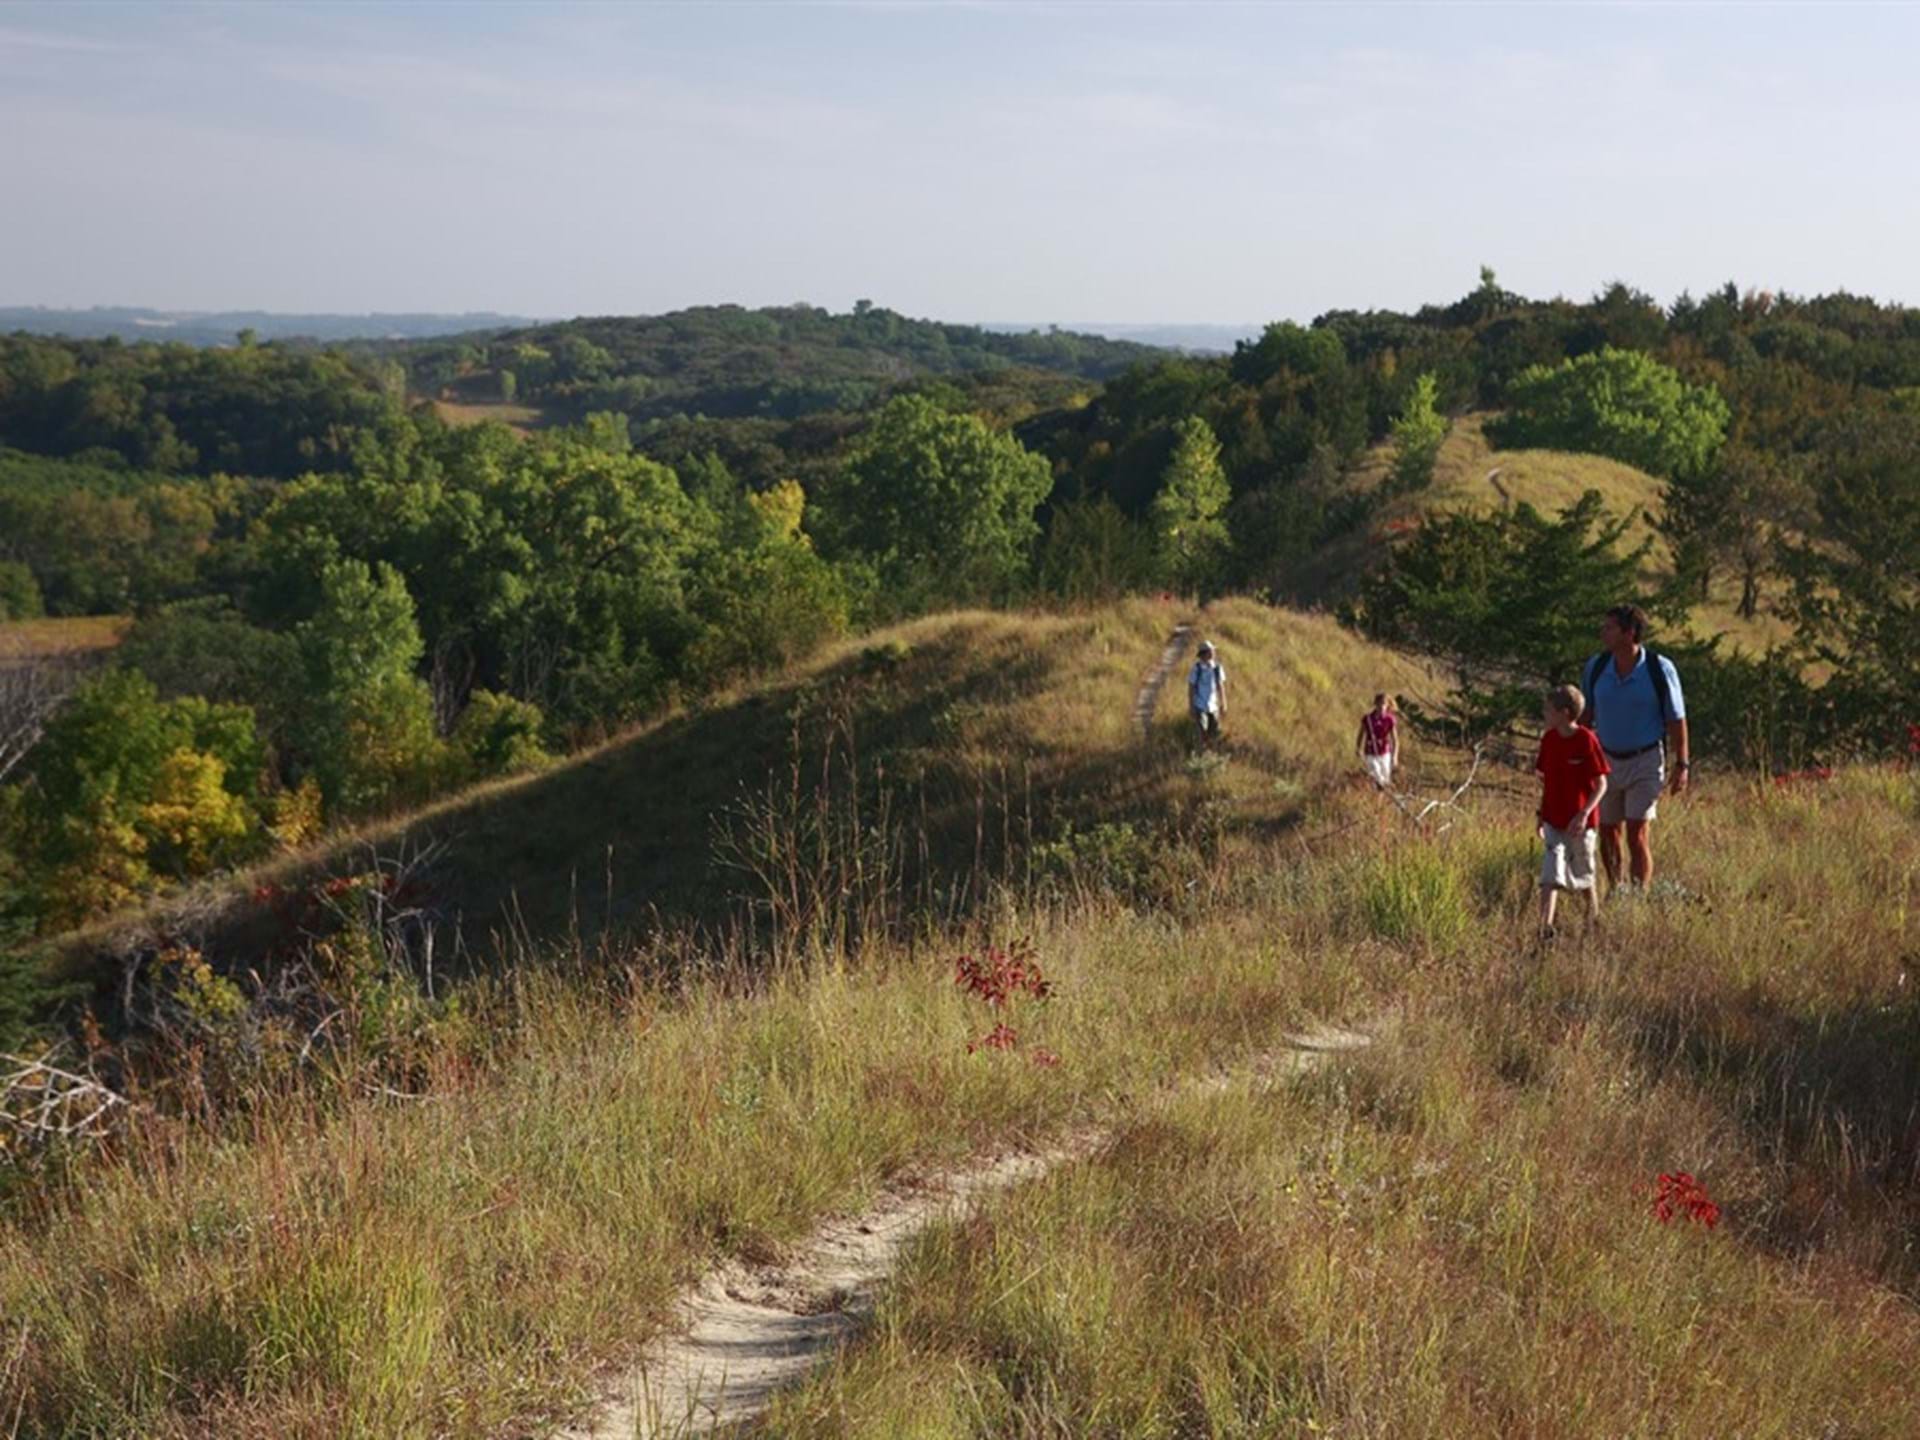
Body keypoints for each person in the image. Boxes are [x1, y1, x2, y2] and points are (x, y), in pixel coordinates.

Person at [1580, 603, 1690, 892]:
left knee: (1636, 833)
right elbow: (1586, 715)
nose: (1603, 632)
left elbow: (1676, 720)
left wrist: (1682, 765)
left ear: (1629, 634)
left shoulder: (1659, 669)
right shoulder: (1597, 667)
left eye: (1610, 627)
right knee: (1607, 831)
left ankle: (1639, 897)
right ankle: (1617, 890)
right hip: (1605, 760)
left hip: (1645, 759)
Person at [1536, 683, 1610, 940]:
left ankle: (1593, 921)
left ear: (1565, 713)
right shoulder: (1549, 740)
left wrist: (1584, 813)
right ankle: (1544, 929)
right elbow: (1546, 781)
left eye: (1549, 710)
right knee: (1550, 874)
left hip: (1581, 823)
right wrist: (1540, 815)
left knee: (1584, 873)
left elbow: (1602, 784)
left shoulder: (1586, 740)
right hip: (1554, 820)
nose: (1545, 714)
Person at [1355, 692, 1399, 789]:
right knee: (1376, 773)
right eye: (1379, 704)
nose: (1381, 706)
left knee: (1386, 776)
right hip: (1371, 751)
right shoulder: (1368, 719)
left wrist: (1395, 756)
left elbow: (1395, 739)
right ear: (1375, 704)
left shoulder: (1390, 719)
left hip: (1384, 751)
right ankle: (1378, 791)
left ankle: (1381, 799)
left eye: (1383, 704)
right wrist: (1358, 748)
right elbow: (1361, 734)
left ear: (1387, 705)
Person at [1188, 640, 1225, 746]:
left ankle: (1210, 752)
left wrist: (1224, 703)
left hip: (1214, 706)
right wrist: (1191, 706)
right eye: (1211, 651)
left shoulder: (1217, 668)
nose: (1213, 653)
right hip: (1200, 705)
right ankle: (1202, 752)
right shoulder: (1197, 669)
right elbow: (1191, 687)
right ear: (1204, 654)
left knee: (1214, 732)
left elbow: (1220, 686)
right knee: (1202, 731)